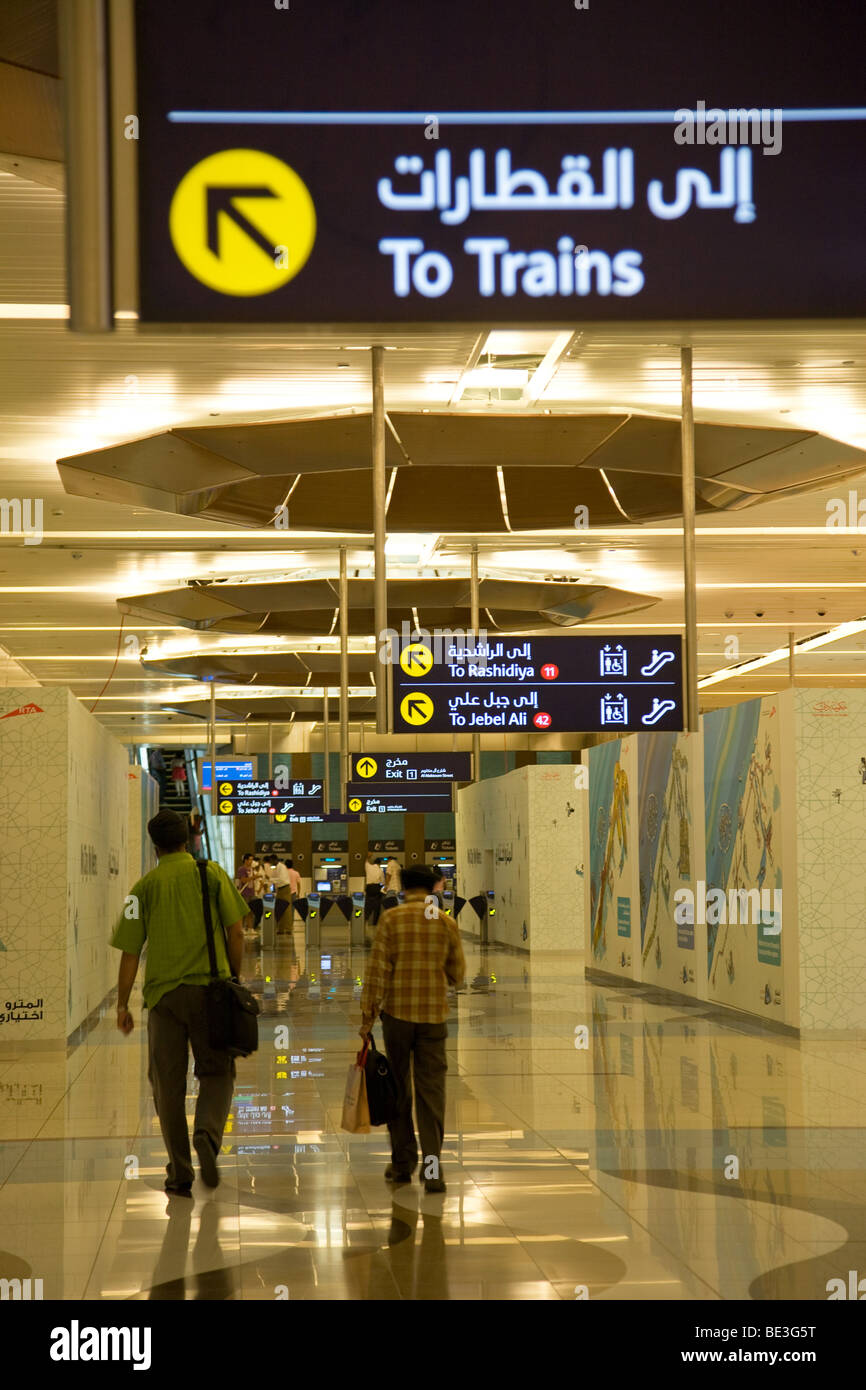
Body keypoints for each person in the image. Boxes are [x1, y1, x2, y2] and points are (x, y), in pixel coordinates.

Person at [111, 809, 249, 1197]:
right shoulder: (212, 874)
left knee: (166, 1086)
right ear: (187, 840)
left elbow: (129, 952)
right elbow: (236, 930)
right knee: (217, 1071)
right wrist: (234, 977)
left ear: (154, 846)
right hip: (211, 992)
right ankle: (206, 1133)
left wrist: (122, 1005)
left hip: (164, 998)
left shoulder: (143, 887)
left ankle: (179, 1171)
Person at [360, 863, 465, 1195]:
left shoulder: (391, 920)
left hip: (397, 1018)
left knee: (399, 1089)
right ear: (432, 888)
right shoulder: (445, 922)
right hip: (433, 1019)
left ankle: (403, 1163)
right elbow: (458, 973)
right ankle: (433, 1172)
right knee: (431, 1095)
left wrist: (367, 1019)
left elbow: (377, 973)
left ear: (403, 887)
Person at [364, 851, 384, 927]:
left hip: (369, 888)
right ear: (379, 864)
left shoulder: (369, 866)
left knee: (368, 906)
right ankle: (375, 923)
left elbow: (365, 862)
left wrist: (368, 856)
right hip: (376, 888)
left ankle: (364, 920)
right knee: (377, 907)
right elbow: (383, 882)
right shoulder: (380, 870)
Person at [285, 857, 302, 923]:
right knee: (292, 909)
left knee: (285, 908)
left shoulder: (284, 873)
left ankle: (286, 922)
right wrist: (298, 893)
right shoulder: (296, 873)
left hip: (286, 893)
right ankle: (291, 923)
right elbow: (299, 884)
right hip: (293, 893)